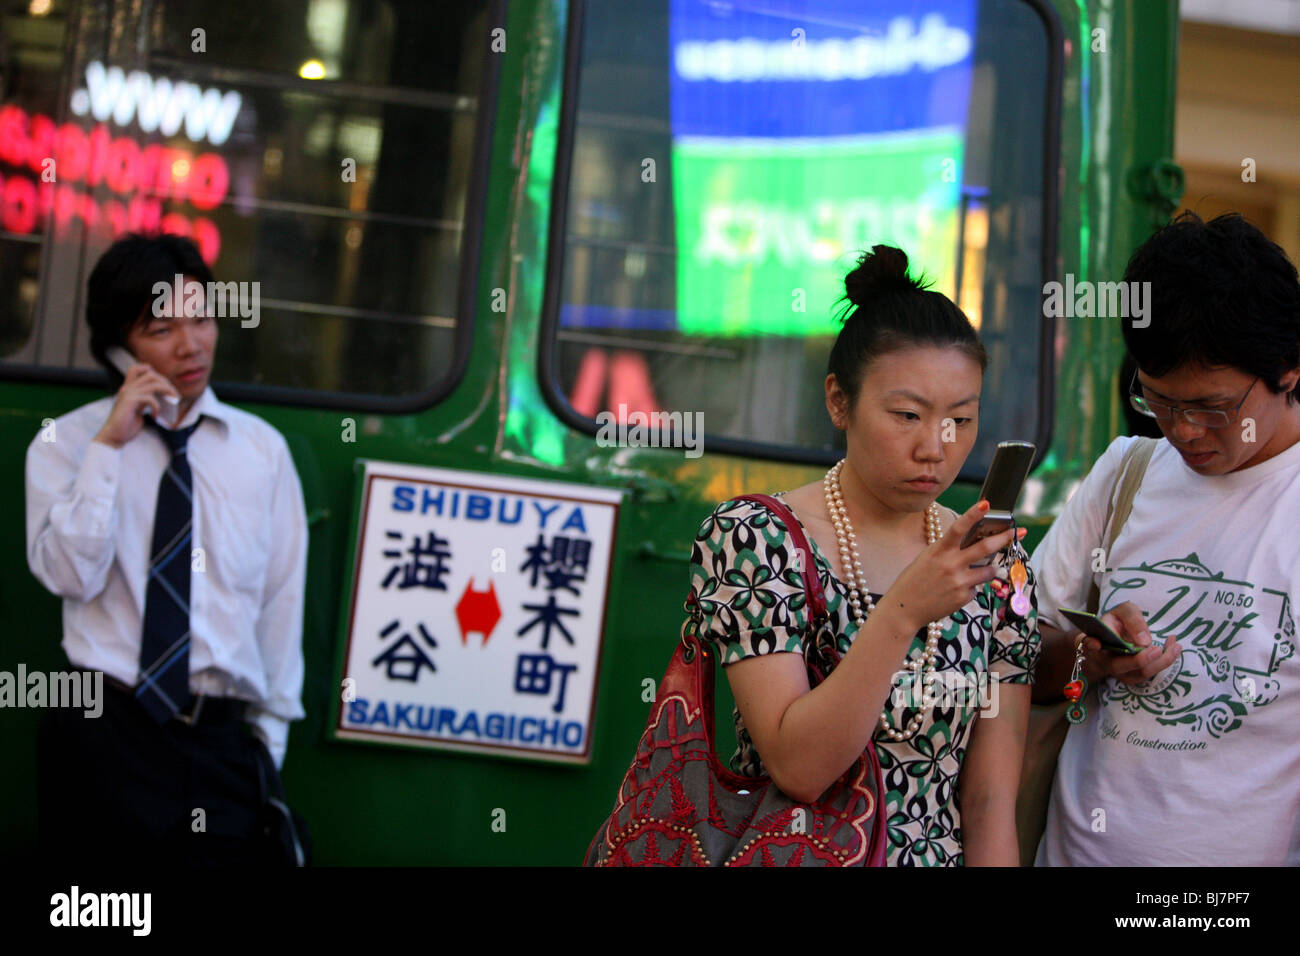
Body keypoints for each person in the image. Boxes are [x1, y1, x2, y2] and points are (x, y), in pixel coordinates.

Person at [687, 245, 1040, 866]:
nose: (935, 446)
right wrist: (904, 611)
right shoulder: (757, 537)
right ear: (839, 401)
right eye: (907, 414)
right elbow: (799, 766)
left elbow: (987, 804)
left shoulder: (994, 561)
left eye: (961, 419)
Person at [25, 233, 309, 864]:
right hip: (105, 736)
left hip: (222, 749)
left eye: (202, 318)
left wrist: (264, 749)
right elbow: (69, 575)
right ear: (119, 349)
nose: (191, 344)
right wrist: (108, 449)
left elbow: (279, 609)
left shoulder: (261, 454)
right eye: (161, 328)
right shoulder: (65, 445)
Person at [1030, 212, 1300, 865]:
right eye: (1158, 401)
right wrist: (1087, 659)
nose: (1182, 431)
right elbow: (1015, 658)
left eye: (1211, 408)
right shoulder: (1126, 474)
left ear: (1289, 372)